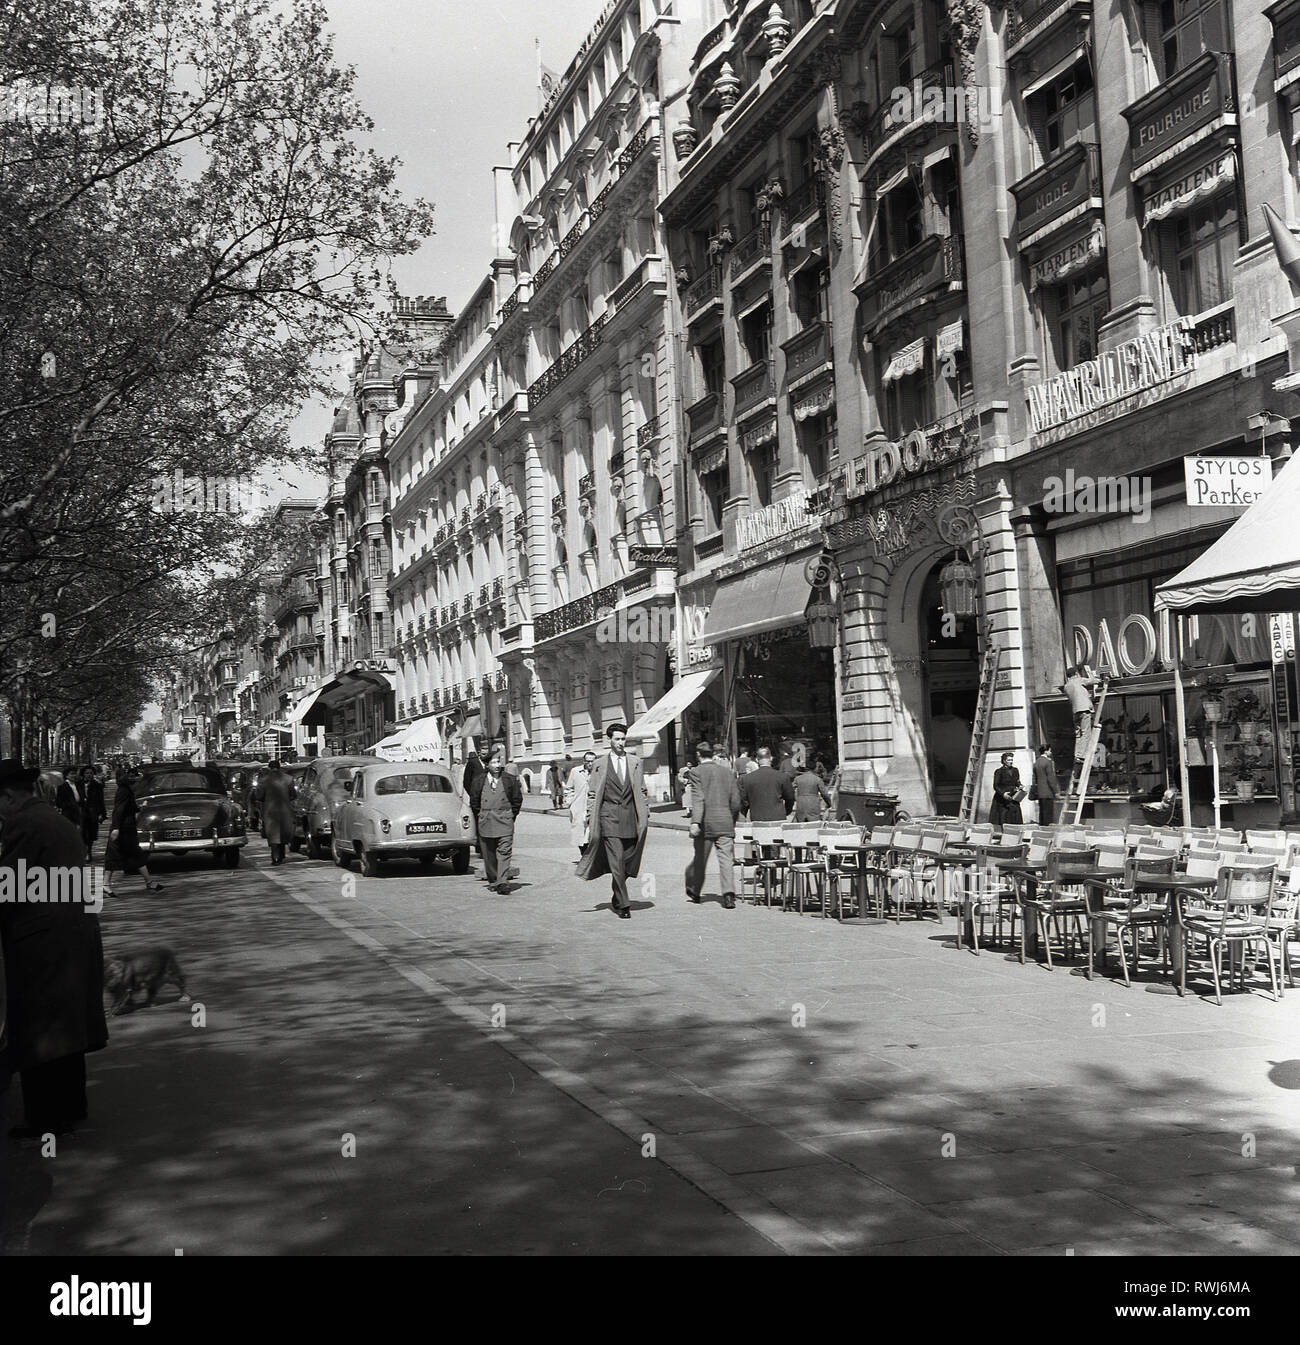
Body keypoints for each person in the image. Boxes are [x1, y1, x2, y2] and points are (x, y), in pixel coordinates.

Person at [0, 758, 108, 1139]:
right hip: (72, 931)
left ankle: (45, 1118)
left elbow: (10, 885)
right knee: (66, 1028)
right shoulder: (52, 817)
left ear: (9, 797)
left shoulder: (23, 824)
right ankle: (68, 1109)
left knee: (40, 1030)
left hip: (44, 940)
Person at [577, 723, 650, 920]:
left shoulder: (635, 762)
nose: (620, 743)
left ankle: (617, 895)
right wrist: (591, 817)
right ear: (609, 740)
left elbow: (642, 790)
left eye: (623, 739)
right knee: (616, 861)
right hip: (608, 818)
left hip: (630, 818)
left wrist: (646, 811)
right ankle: (624, 905)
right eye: (616, 739)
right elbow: (593, 793)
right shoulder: (600, 764)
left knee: (627, 861)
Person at [686, 741, 741, 909]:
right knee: (726, 860)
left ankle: (695, 891)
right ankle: (729, 895)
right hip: (725, 821)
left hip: (706, 823)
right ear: (713, 754)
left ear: (698, 754)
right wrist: (731, 818)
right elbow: (736, 801)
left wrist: (695, 822)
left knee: (701, 858)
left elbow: (698, 798)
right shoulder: (728, 772)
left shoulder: (695, 772)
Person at [468, 747, 522, 892]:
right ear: (487, 765)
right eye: (494, 762)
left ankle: (503, 882)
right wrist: (481, 816)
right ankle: (493, 881)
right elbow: (474, 802)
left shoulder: (509, 780)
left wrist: (510, 816)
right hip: (486, 821)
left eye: (498, 762)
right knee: (489, 854)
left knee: (505, 851)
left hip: (505, 821)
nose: (497, 765)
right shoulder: (479, 781)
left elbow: (517, 800)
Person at [103, 769, 162, 894]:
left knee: (130, 854)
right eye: (133, 777)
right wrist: (116, 828)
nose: (136, 779)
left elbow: (128, 807)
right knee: (119, 855)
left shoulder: (127, 789)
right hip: (123, 829)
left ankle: (149, 882)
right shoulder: (123, 791)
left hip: (126, 828)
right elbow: (119, 810)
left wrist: (140, 807)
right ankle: (106, 884)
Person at [1062, 665, 1102, 772]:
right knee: (1086, 733)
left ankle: (1078, 754)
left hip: (1075, 712)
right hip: (1084, 710)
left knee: (1078, 734)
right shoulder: (1078, 680)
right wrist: (1099, 678)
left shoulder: (1066, 686)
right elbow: (1092, 681)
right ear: (1075, 674)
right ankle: (1083, 755)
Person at [739, 746, 794, 821]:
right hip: (778, 818)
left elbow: (744, 801)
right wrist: (786, 811)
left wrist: (744, 813)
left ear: (757, 760)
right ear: (771, 758)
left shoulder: (747, 779)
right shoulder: (782, 777)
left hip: (757, 819)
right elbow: (790, 798)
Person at [260, 760, 295, 865]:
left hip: (270, 811)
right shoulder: (288, 779)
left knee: (273, 833)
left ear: (269, 768)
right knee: (284, 831)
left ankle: (275, 856)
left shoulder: (264, 780)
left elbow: (259, 796)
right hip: (285, 810)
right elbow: (293, 795)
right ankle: (281, 854)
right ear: (279, 767)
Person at [564, 751, 597, 859]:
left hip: (593, 806)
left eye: (592, 761)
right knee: (579, 833)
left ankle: (589, 856)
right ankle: (584, 855)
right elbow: (569, 788)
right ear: (584, 761)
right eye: (588, 761)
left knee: (591, 832)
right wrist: (570, 802)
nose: (590, 764)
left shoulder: (598, 772)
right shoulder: (575, 771)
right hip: (578, 806)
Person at [78, 765, 107, 863]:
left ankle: (88, 851)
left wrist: (102, 814)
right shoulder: (78, 784)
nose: (89, 775)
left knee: (91, 833)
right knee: (82, 833)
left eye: (90, 773)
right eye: (87, 773)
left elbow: (101, 800)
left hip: (93, 812)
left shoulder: (97, 785)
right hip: (81, 812)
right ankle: (84, 851)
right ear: (83, 774)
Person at [989, 751, 1024, 828]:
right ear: (1004, 761)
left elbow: (1017, 781)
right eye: (1009, 760)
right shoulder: (999, 771)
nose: (1011, 762)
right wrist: (1003, 794)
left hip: (1013, 797)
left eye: (1012, 760)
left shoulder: (1015, 770)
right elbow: (996, 785)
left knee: (1015, 817)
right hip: (1002, 798)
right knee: (1004, 817)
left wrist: (1020, 785)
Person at [1032, 743, 1059, 824]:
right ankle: (1048, 831)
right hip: (1048, 792)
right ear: (1046, 751)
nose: (1050, 752)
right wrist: (1056, 791)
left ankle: (1042, 828)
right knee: (1048, 814)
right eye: (1050, 750)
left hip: (1040, 792)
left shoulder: (1037, 762)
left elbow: (1035, 777)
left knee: (1042, 813)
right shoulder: (1047, 762)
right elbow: (1051, 778)